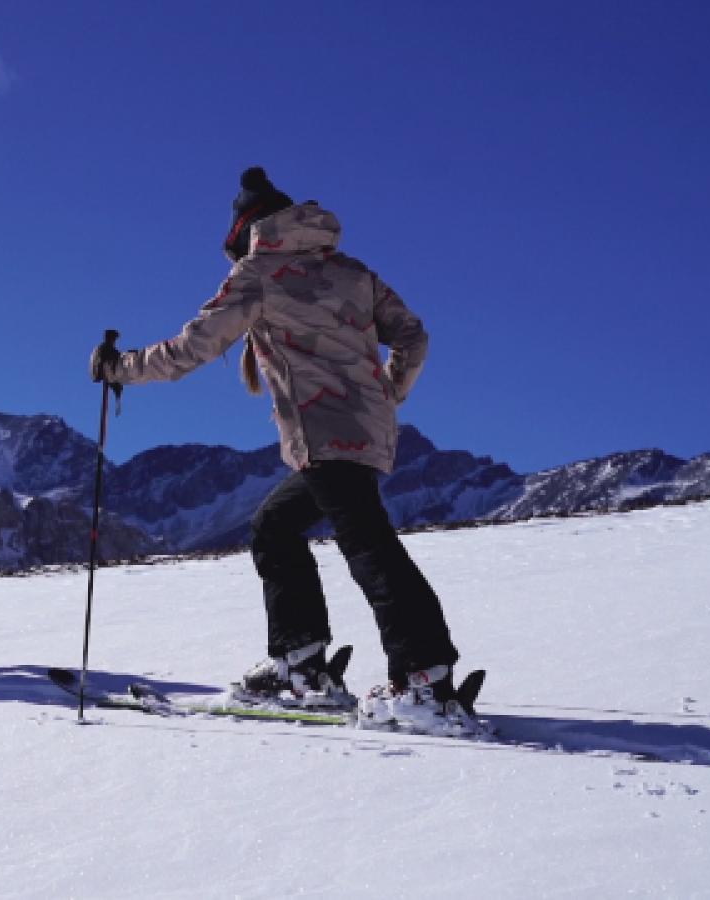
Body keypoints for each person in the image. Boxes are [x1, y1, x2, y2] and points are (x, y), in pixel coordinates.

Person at [89, 167, 469, 731]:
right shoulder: (352, 272)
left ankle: (423, 679)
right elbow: (413, 335)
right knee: (277, 525)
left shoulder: (260, 273)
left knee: (369, 547)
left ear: (246, 231)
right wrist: (386, 396)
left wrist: (121, 367)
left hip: (323, 433)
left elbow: (193, 348)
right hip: (368, 433)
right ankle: (304, 663)